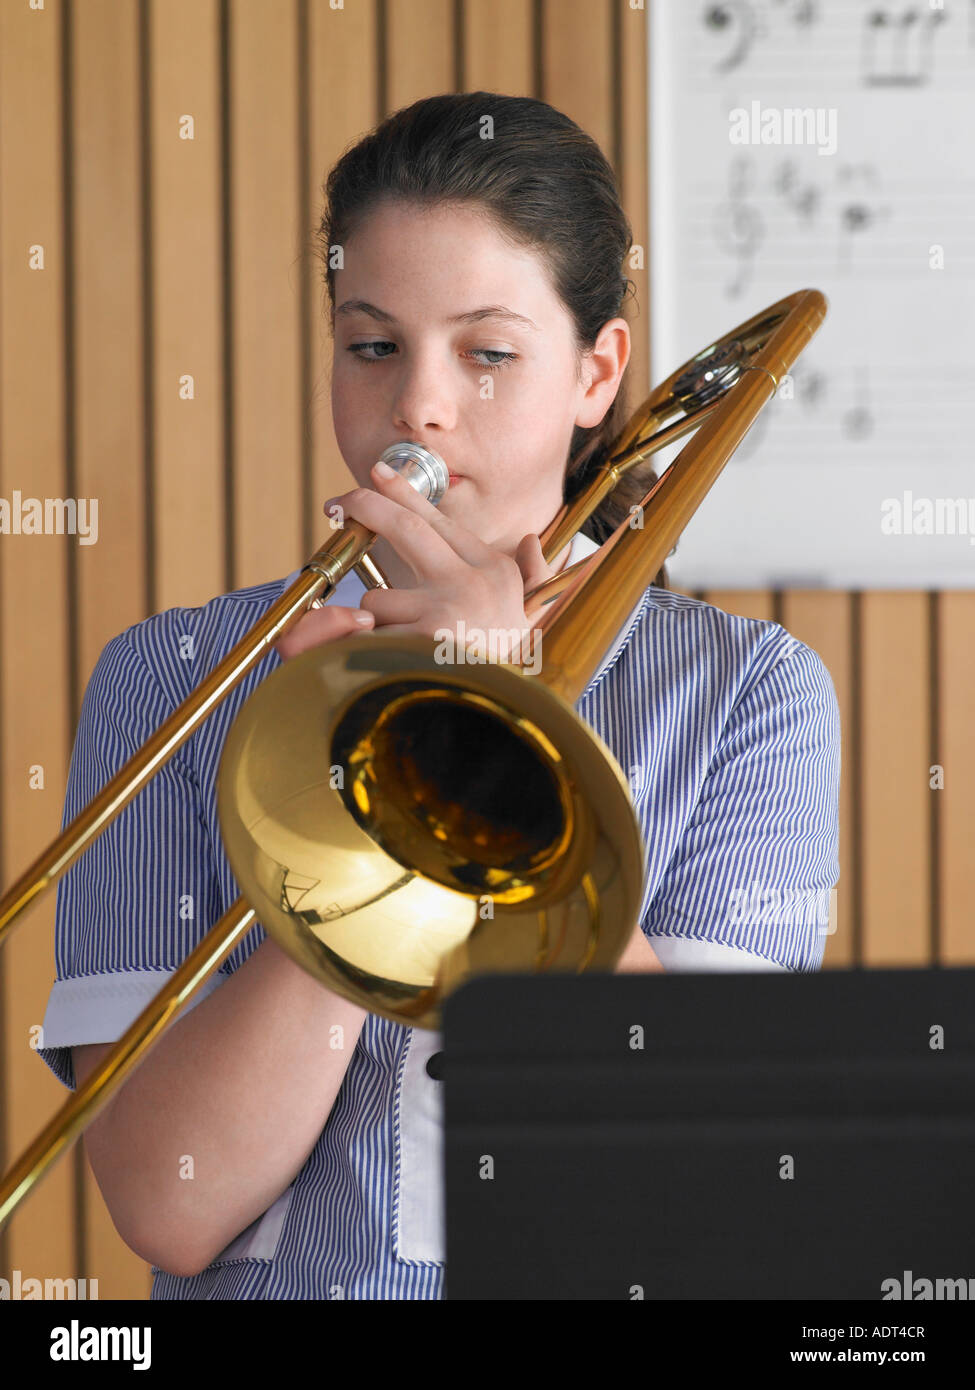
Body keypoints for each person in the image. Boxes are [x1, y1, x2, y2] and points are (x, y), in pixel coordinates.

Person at [36, 92, 840, 1299]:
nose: (416, 405)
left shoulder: (747, 695)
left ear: (596, 372)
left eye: (489, 353)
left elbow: (702, 1180)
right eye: (372, 345)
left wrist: (501, 747)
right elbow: (169, 1203)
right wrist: (364, 809)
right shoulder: (171, 674)